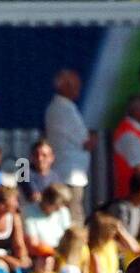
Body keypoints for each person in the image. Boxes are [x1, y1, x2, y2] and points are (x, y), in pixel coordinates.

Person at [45, 69, 94, 222]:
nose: (78, 88)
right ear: (63, 86)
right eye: (74, 85)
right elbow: (87, 143)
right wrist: (95, 138)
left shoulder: (63, 108)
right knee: (73, 218)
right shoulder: (64, 109)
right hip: (69, 175)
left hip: (67, 172)